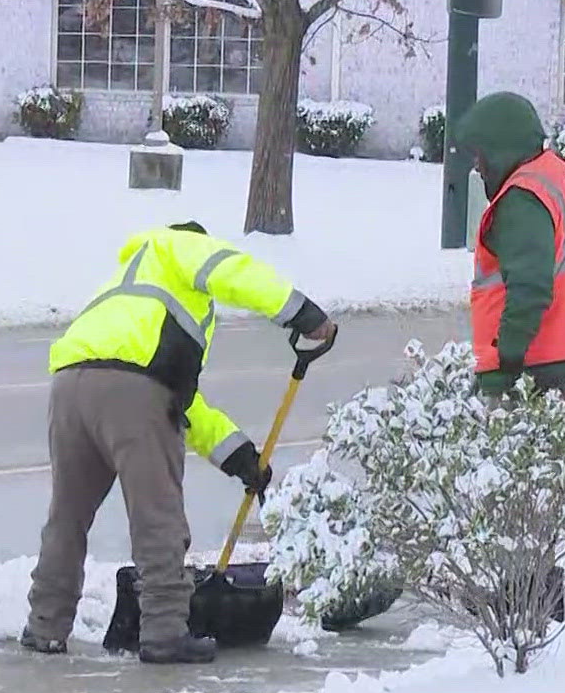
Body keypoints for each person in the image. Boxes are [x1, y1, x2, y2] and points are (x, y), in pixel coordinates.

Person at [21, 221, 336, 664]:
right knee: (158, 517)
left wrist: (238, 456)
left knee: (67, 518)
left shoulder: (125, 290)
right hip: (133, 389)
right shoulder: (178, 245)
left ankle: (45, 627)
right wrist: (301, 312)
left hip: (70, 387)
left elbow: (180, 403)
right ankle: (165, 631)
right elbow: (234, 272)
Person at [452, 91, 565, 431]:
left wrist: (506, 358)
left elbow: (530, 288)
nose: (477, 165)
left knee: (517, 460)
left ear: (501, 150)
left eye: (481, 154)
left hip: (537, 365)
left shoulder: (524, 198)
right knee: (558, 458)